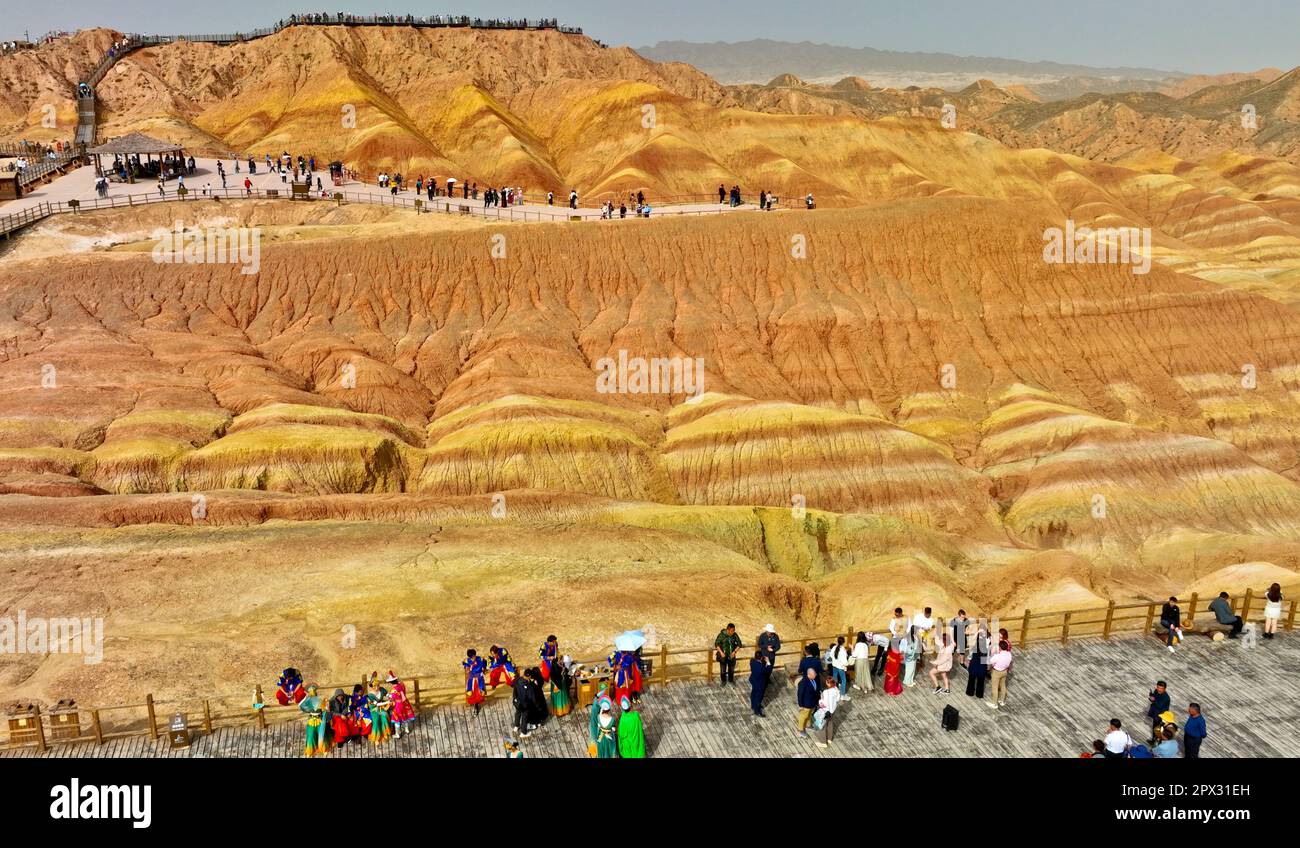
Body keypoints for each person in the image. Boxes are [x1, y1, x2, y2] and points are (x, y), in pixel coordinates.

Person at [299, 684, 329, 756]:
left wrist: (325, 706)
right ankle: (310, 750)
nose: (312, 693)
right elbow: (302, 707)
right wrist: (305, 698)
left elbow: (325, 710)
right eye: (311, 692)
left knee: (321, 734)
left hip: (319, 720)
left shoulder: (320, 701)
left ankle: (323, 748)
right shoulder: (307, 701)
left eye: (313, 692)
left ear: (315, 693)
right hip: (311, 720)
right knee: (311, 735)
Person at [387, 671, 416, 737]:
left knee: (396, 718)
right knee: (405, 716)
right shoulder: (401, 684)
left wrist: (389, 695)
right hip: (405, 703)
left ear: (391, 683)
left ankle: (397, 734)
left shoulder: (394, 690)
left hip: (398, 704)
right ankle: (407, 730)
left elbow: (392, 698)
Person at [366, 673, 392, 744]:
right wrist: (387, 702)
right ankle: (376, 737)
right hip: (374, 709)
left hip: (382, 707)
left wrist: (391, 695)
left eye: (378, 685)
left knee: (384, 716)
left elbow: (387, 694)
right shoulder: (370, 695)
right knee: (376, 720)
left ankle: (385, 733)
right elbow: (377, 704)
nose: (377, 687)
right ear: (372, 687)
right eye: (375, 686)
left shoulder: (382, 689)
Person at [966, 622, 989, 699]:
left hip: (981, 656)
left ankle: (974, 692)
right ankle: (974, 692)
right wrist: (977, 633)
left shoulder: (988, 637)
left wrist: (981, 633)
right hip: (978, 656)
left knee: (978, 676)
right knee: (975, 676)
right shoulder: (980, 636)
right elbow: (972, 643)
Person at [988, 640, 1012, 709]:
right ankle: (1002, 700)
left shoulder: (997, 656)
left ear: (1000, 648)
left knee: (995, 687)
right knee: (1003, 685)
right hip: (1004, 671)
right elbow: (1009, 663)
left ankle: (994, 703)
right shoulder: (1009, 654)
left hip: (996, 672)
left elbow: (990, 662)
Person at [796, 666, 819, 737]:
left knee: (809, 715)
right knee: (803, 716)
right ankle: (800, 730)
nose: (816, 675)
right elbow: (800, 694)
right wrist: (801, 705)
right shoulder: (803, 683)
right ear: (809, 674)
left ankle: (808, 725)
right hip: (806, 704)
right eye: (814, 674)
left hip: (812, 702)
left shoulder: (813, 679)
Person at [749, 649, 772, 716]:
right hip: (760, 683)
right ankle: (757, 711)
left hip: (754, 680)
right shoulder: (761, 667)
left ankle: (753, 706)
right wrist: (768, 662)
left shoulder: (752, 661)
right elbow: (768, 670)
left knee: (753, 693)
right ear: (761, 657)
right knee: (759, 697)